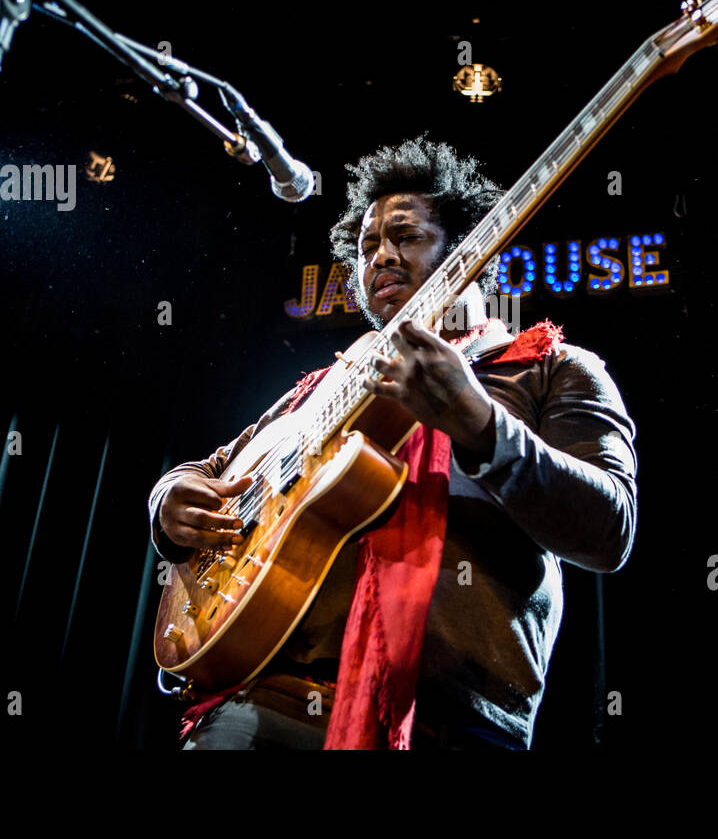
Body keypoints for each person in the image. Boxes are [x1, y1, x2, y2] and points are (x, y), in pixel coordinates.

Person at [147, 135, 637, 749]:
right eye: (367, 246)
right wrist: (167, 502)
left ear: (466, 250)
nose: (380, 256)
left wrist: (481, 425)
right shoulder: (317, 389)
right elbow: (213, 470)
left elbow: (609, 529)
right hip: (263, 704)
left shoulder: (548, 368)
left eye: (405, 237)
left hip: (451, 724)